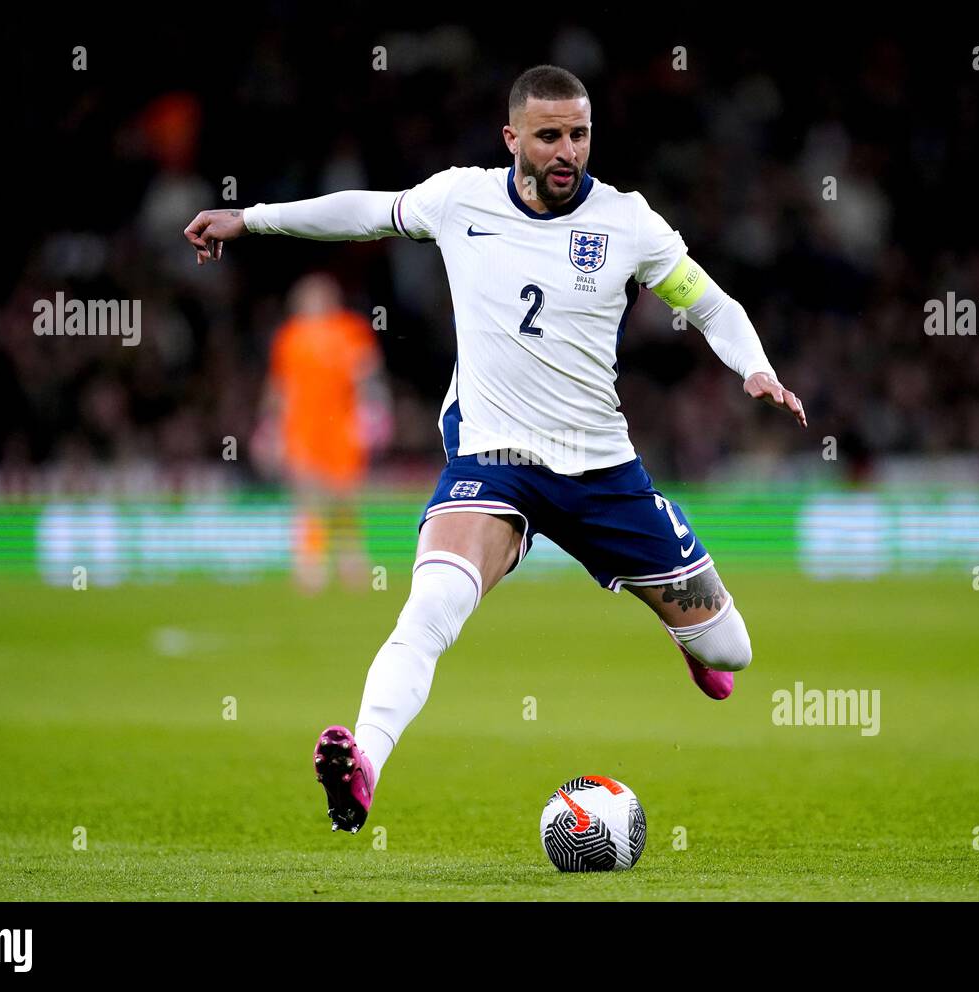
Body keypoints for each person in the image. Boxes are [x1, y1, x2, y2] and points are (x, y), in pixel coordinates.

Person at [184, 64, 806, 835]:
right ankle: (365, 761)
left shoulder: (628, 222)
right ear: (511, 138)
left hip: (602, 471)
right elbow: (364, 213)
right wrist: (252, 220)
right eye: (549, 136)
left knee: (733, 649)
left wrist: (756, 369)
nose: (566, 150)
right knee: (430, 608)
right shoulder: (460, 198)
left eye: (578, 134)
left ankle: (686, 631)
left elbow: (709, 304)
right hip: (493, 462)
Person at [254, 273, 390, 592]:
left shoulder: (351, 330)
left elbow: (368, 376)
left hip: (341, 427)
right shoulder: (290, 336)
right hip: (302, 428)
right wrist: (269, 428)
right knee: (307, 499)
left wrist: (374, 415)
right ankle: (310, 565)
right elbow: (279, 386)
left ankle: (349, 560)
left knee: (345, 498)